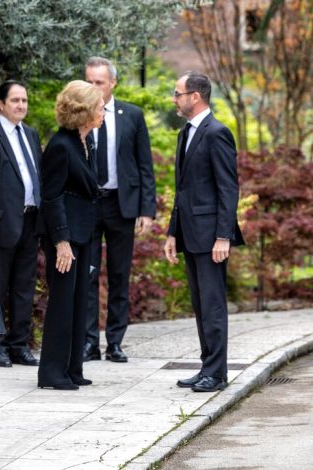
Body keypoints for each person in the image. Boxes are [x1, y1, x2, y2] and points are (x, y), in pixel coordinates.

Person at [164, 71, 244, 393]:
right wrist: (172, 233)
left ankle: (217, 374)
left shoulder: (217, 133)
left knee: (212, 306)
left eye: (177, 93)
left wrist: (223, 236)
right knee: (200, 305)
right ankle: (207, 367)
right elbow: (182, 190)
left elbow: (228, 188)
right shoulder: (187, 132)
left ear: (194, 97)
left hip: (211, 237)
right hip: (190, 233)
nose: (174, 99)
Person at [83, 57, 157, 363]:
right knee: (87, 275)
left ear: (112, 83)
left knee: (119, 274)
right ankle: (89, 342)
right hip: (87, 204)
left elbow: (144, 165)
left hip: (121, 205)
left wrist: (147, 210)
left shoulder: (132, 116)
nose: (93, 87)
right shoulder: (79, 114)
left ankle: (115, 342)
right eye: (89, 81)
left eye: (99, 82)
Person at [37, 80, 104, 390]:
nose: (103, 111)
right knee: (63, 302)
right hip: (65, 237)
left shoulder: (84, 141)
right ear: (84, 111)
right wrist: (61, 242)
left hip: (83, 233)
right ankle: (52, 372)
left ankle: (72, 367)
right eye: (99, 107)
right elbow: (51, 197)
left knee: (79, 303)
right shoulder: (61, 146)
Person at [0, 80, 42, 368]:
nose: (21, 106)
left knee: (24, 286)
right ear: (0, 104)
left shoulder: (30, 134)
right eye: (15, 100)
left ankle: (19, 345)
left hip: (30, 220)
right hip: (0, 225)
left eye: (24, 101)